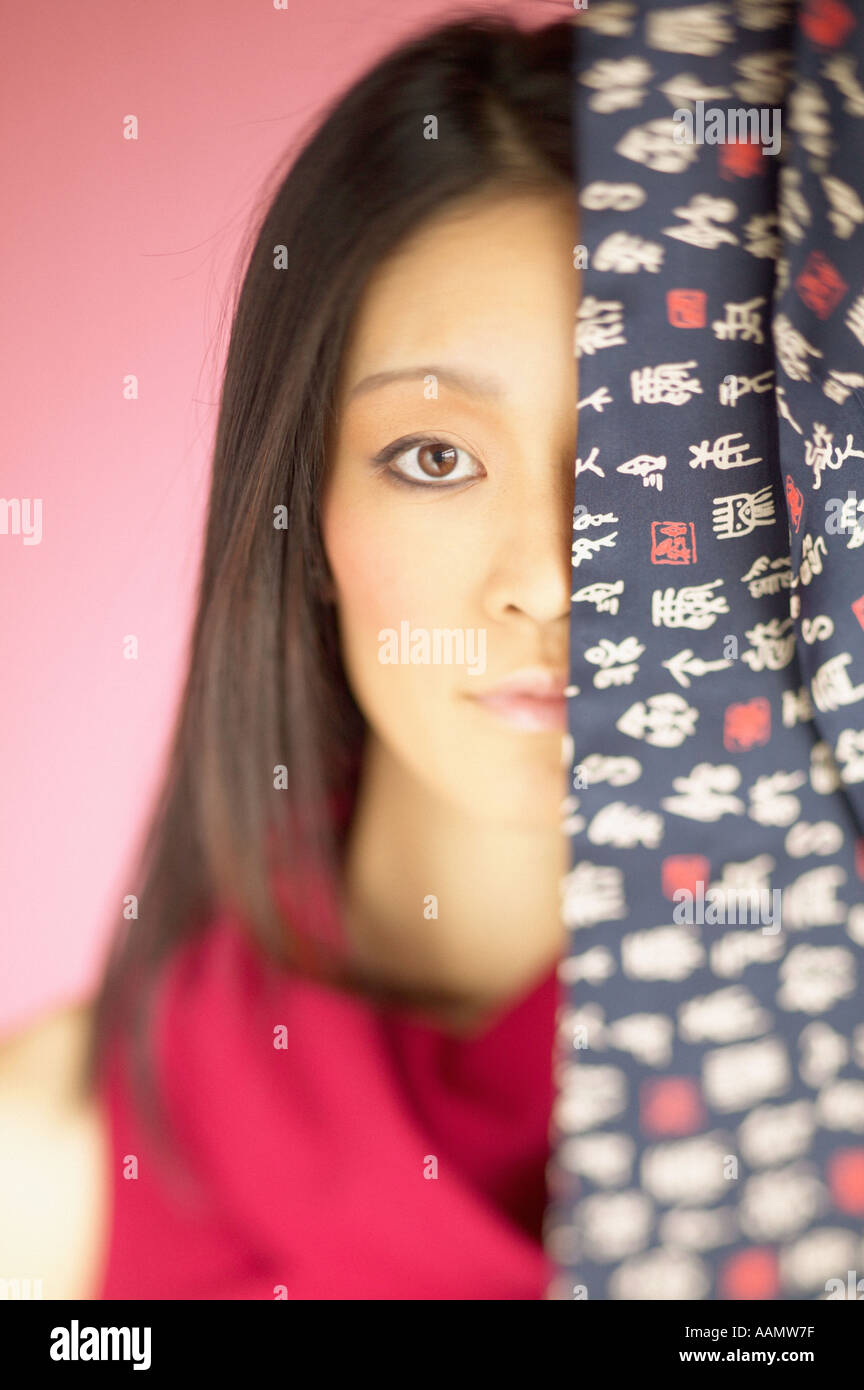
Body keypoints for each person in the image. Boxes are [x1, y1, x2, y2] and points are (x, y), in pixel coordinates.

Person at [0, 14, 578, 1299]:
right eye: (434, 457)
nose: (547, 573)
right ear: (304, 513)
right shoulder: (44, 1165)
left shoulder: (817, 1109)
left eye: (632, 453)